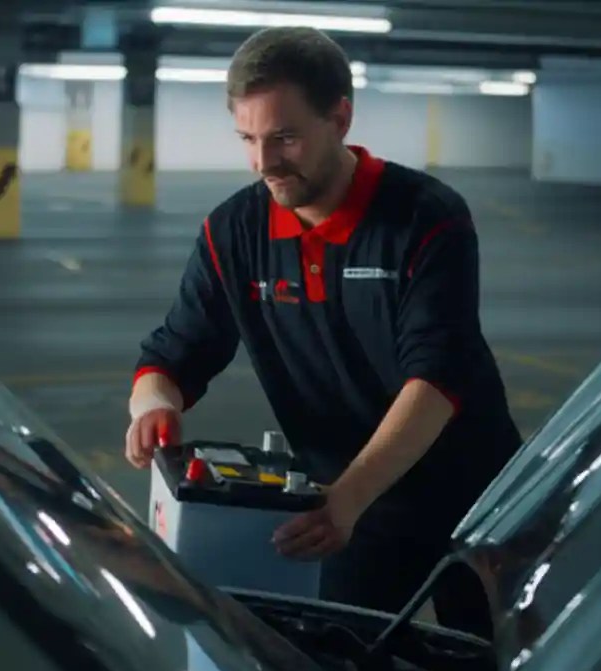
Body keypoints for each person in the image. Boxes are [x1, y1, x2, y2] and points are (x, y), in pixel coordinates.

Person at [123, 26, 523, 638]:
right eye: (248, 139)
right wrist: (155, 405)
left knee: (497, 664)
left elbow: (436, 379)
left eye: (284, 137)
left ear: (340, 118)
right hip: (340, 504)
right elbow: (173, 353)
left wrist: (349, 497)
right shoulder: (233, 232)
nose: (264, 163)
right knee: (339, 664)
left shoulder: (426, 216)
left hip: (473, 498)